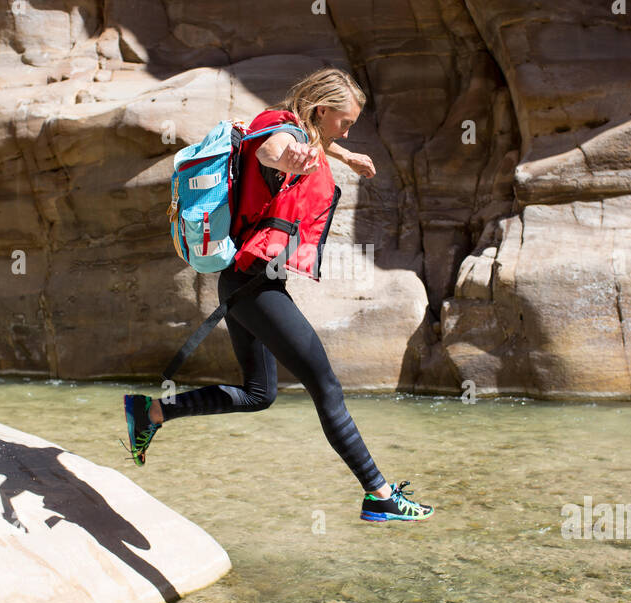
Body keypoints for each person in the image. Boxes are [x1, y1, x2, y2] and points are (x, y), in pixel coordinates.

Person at [122, 68, 433, 522]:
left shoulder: (306, 133)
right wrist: (288, 160)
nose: (347, 130)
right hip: (254, 286)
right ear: (322, 111)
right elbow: (270, 147)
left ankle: (150, 414)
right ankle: (379, 495)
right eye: (344, 122)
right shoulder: (281, 133)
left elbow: (309, 141)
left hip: (245, 281)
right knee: (326, 386)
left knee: (258, 393)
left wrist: (345, 154)